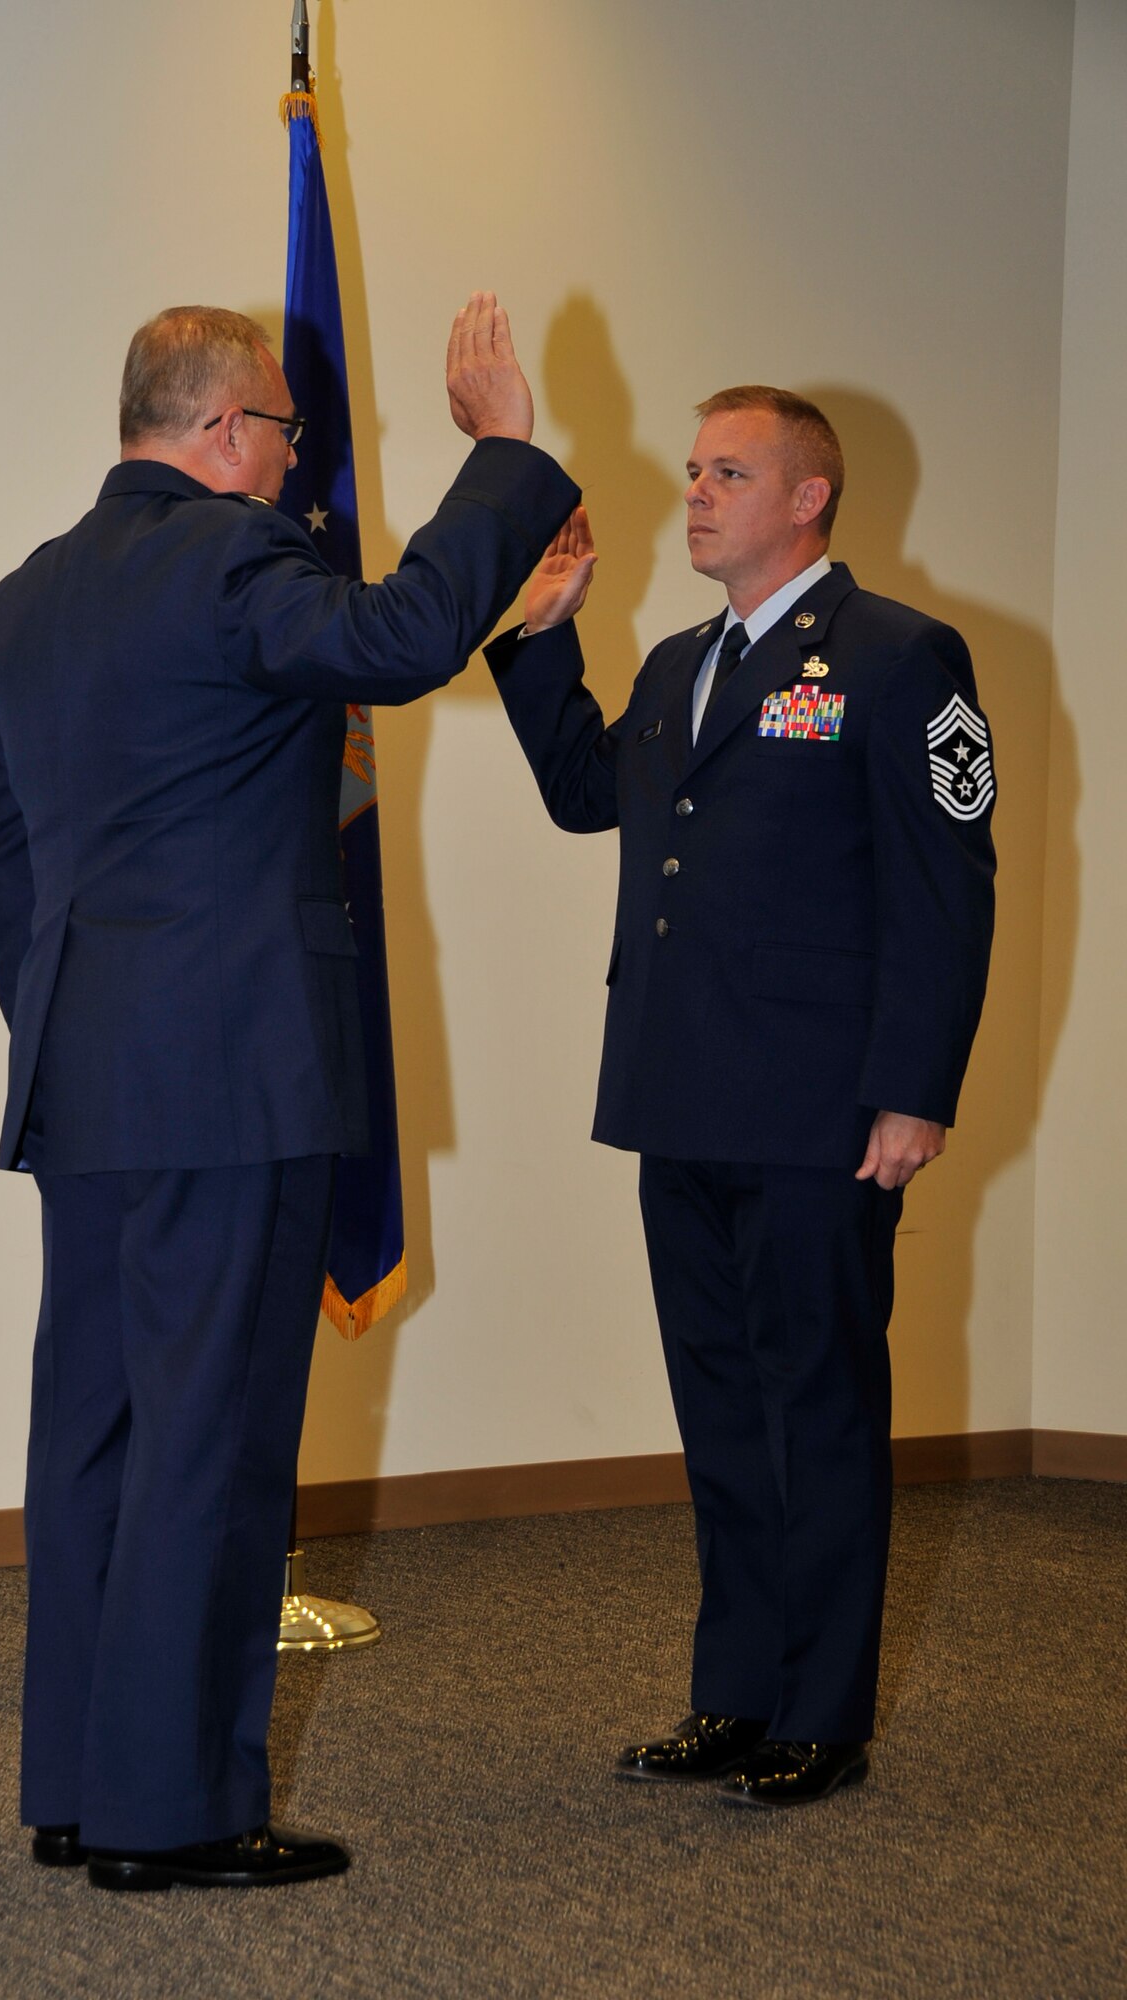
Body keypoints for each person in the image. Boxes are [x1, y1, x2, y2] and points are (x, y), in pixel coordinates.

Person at [0, 296, 579, 1890]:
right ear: (231, 430)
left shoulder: (22, 602)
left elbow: (5, 851)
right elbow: (396, 639)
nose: (296, 470)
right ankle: (170, 1815)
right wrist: (506, 458)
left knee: (93, 1429)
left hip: (87, 1072)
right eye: (290, 438)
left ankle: (78, 1784)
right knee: (213, 1438)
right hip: (229, 1075)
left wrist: (74, 1011)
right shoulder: (235, 558)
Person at [487, 386, 995, 1806]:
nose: (697, 493)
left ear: (808, 497)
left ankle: (820, 1712)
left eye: (729, 471)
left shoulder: (902, 658)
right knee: (719, 1407)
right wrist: (542, 631)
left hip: (822, 1109)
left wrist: (913, 1091)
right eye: (695, 470)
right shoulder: (677, 664)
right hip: (682, 1094)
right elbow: (592, 792)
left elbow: (948, 892)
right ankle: (735, 1692)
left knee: (819, 1407)